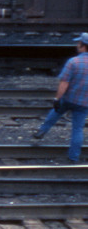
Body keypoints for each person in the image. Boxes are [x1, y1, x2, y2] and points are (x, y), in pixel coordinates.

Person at [33, 33, 88, 163]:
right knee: (77, 129)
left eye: (78, 43)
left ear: (83, 46)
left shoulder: (73, 62)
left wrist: (57, 99)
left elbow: (64, 83)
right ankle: (73, 157)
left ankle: (42, 131)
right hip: (84, 103)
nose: (77, 45)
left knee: (56, 111)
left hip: (69, 98)